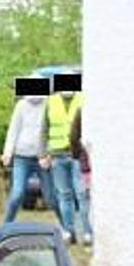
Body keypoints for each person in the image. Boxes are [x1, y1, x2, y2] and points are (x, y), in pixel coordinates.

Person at [42, 72, 92, 246]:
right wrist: (43, 153)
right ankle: (69, 232)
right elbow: (44, 129)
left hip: (77, 155)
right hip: (56, 155)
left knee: (82, 194)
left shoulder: (84, 99)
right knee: (64, 195)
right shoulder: (51, 101)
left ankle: (87, 232)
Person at [0, 76, 49, 223]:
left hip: (42, 157)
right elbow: (13, 130)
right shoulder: (21, 105)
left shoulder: (48, 104)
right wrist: (7, 153)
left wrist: (49, 153)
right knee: (17, 193)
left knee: (51, 196)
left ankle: (67, 230)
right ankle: (6, 224)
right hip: (22, 156)